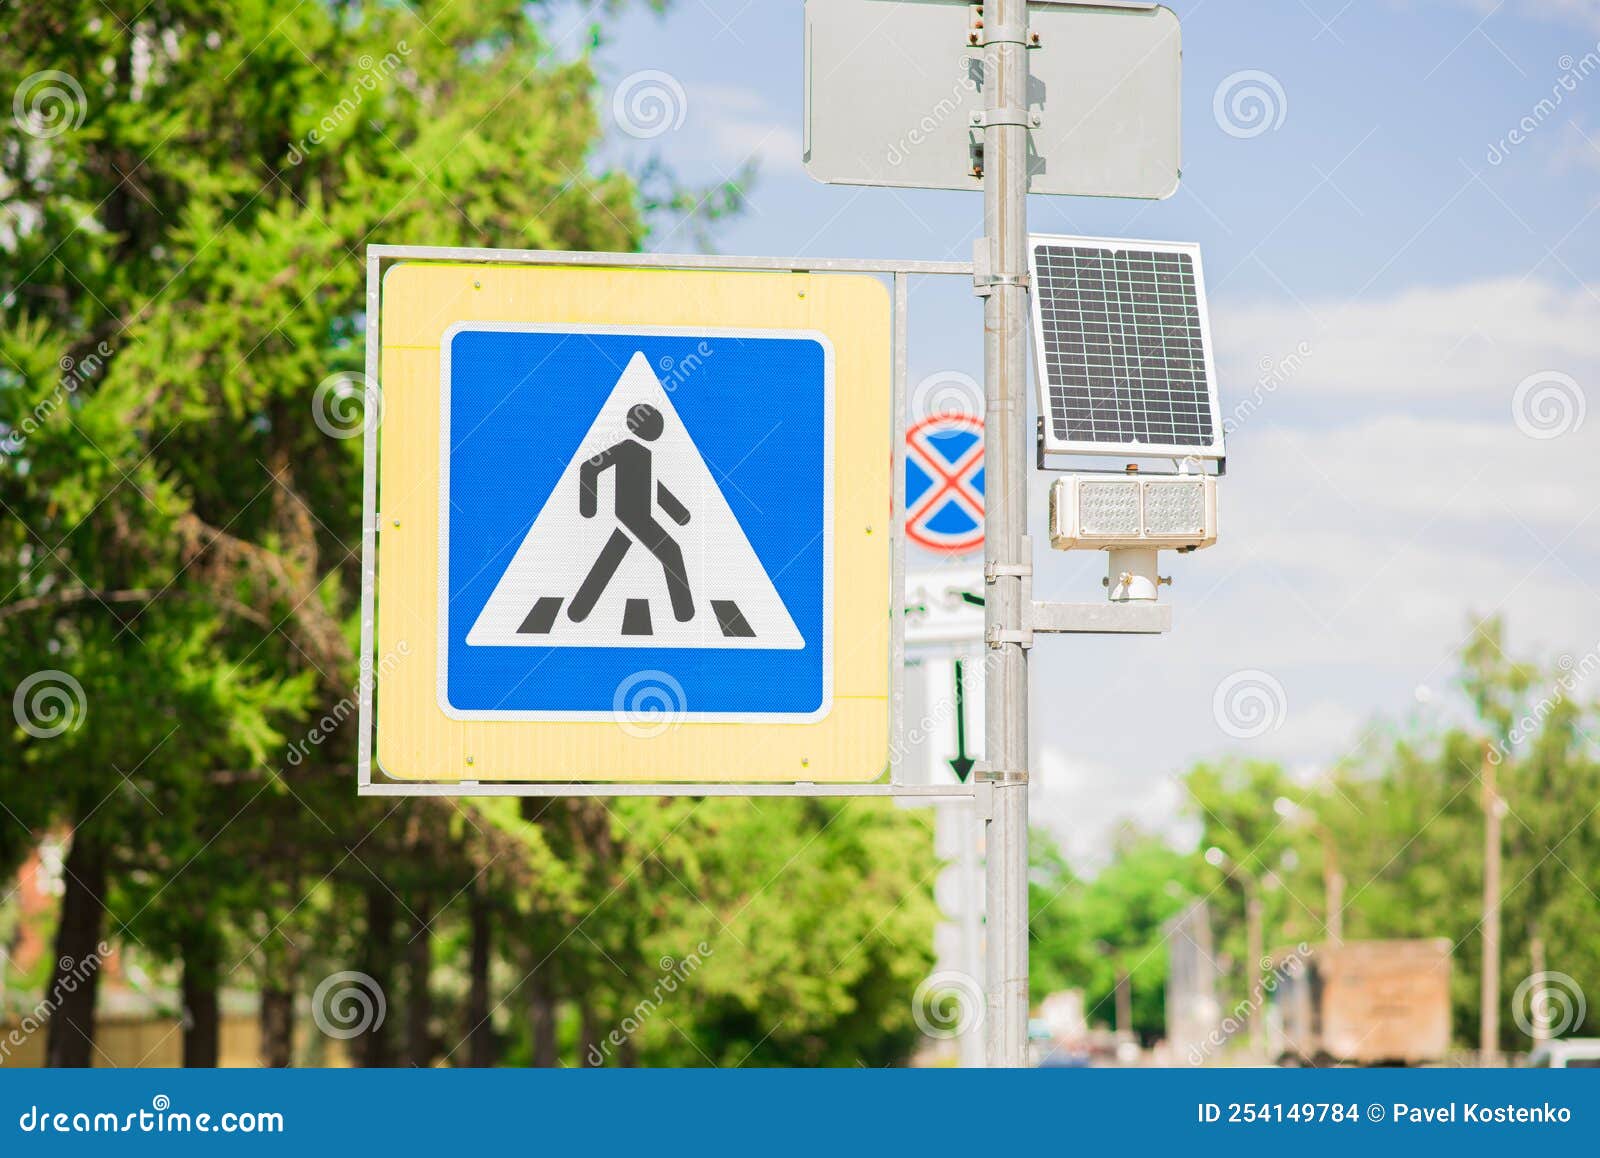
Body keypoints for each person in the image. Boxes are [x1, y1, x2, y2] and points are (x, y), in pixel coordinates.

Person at [568, 402, 694, 623]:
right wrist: (588, 508)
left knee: (611, 557)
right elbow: (588, 469)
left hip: (637, 517)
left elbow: (653, 488)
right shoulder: (626, 448)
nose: (659, 428)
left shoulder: (642, 453)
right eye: (655, 422)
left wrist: (679, 514)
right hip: (632, 517)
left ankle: (577, 611)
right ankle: (685, 614)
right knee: (671, 552)